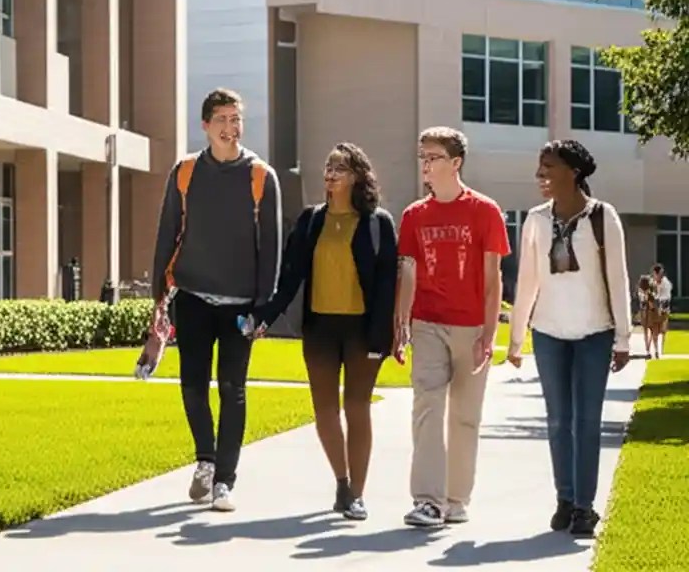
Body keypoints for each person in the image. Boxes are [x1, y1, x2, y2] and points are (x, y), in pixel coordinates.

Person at [149, 87, 281, 512]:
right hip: (192, 297)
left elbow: (271, 247)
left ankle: (224, 480)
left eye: (236, 119)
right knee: (191, 386)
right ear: (205, 126)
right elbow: (167, 232)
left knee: (232, 388)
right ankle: (205, 461)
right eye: (221, 119)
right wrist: (158, 298)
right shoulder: (185, 172)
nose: (230, 127)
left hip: (241, 305)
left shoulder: (262, 176)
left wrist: (263, 308)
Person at [251, 143, 398, 521]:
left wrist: (384, 337)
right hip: (320, 327)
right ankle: (343, 482)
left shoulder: (377, 222)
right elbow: (290, 277)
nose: (330, 173)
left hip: (362, 330)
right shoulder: (311, 220)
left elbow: (386, 286)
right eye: (329, 166)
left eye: (341, 168)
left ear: (357, 177)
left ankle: (359, 494)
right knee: (325, 411)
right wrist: (264, 317)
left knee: (357, 407)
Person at [506, 140, 631, 537]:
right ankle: (565, 498)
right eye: (539, 167)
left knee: (586, 421)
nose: (541, 175)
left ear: (573, 172)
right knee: (558, 420)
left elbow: (618, 278)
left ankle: (584, 507)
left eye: (549, 167)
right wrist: (515, 337)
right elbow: (527, 279)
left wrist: (623, 337)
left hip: (595, 332)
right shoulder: (536, 220)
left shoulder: (602, 216)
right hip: (549, 332)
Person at [395, 127, 510, 528]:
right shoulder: (414, 215)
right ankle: (427, 500)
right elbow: (407, 271)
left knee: (464, 416)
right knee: (426, 406)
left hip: (471, 326)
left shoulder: (485, 211)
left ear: (455, 162)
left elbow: (493, 280)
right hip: (427, 322)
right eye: (422, 157)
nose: (425, 164)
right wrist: (401, 324)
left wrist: (490, 334)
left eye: (433, 157)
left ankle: (456, 499)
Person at [649, 263, 674, 358]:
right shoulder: (653, 283)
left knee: (663, 330)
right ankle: (656, 351)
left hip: (664, 310)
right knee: (654, 331)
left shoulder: (666, 283)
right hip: (655, 311)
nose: (655, 276)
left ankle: (662, 349)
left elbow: (667, 297)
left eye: (656, 274)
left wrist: (657, 298)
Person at [636, 275, 656, 357]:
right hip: (649, 312)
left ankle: (646, 348)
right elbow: (651, 303)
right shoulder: (649, 292)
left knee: (645, 331)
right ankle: (648, 346)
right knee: (651, 330)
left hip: (642, 311)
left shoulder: (639, 291)